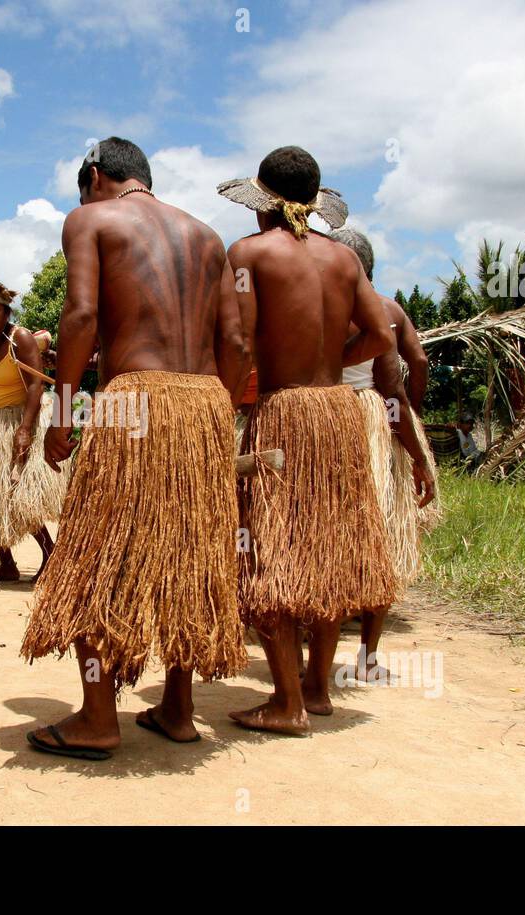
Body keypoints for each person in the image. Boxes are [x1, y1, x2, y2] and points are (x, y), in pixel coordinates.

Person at [21, 136, 249, 760]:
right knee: (188, 554)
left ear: (95, 175)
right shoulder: (207, 235)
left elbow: (80, 319)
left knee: (96, 559)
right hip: (204, 401)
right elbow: (235, 341)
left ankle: (97, 718)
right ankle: (176, 709)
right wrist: (213, 418)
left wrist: (62, 412)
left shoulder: (90, 219)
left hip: (131, 401)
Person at [218, 145, 398, 734]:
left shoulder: (248, 252)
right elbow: (380, 336)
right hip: (338, 414)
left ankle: (286, 704)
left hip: (284, 412)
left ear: (264, 200)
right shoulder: (345, 260)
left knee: (270, 549)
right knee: (329, 549)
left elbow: (239, 343)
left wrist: (220, 406)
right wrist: (331, 364)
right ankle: (318, 689)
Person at [329, 227, 436, 682]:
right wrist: (415, 448)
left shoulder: (317, 305)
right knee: (383, 537)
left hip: (322, 421)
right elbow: (402, 377)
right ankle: (367, 659)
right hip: (373, 422)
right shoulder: (387, 310)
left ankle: (303, 660)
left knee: (324, 537)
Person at [0, 282, 68, 582]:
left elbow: (37, 384)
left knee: (20, 495)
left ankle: (50, 555)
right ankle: (6, 563)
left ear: (6, 312)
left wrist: (25, 429)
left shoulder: (19, 338)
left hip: (23, 418)